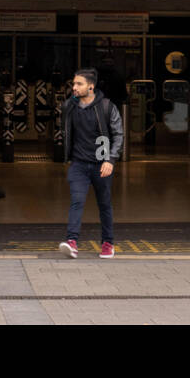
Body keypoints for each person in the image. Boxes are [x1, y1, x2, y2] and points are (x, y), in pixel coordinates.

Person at [59, 68, 123, 259]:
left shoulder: (106, 107)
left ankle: (107, 243)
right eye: (73, 83)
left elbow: (118, 134)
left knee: (104, 204)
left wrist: (110, 159)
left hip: (101, 164)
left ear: (91, 86)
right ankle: (72, 241)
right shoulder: (69, 106)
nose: (74, 87)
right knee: (76, 201)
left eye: (79, 84)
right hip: (79, 164)